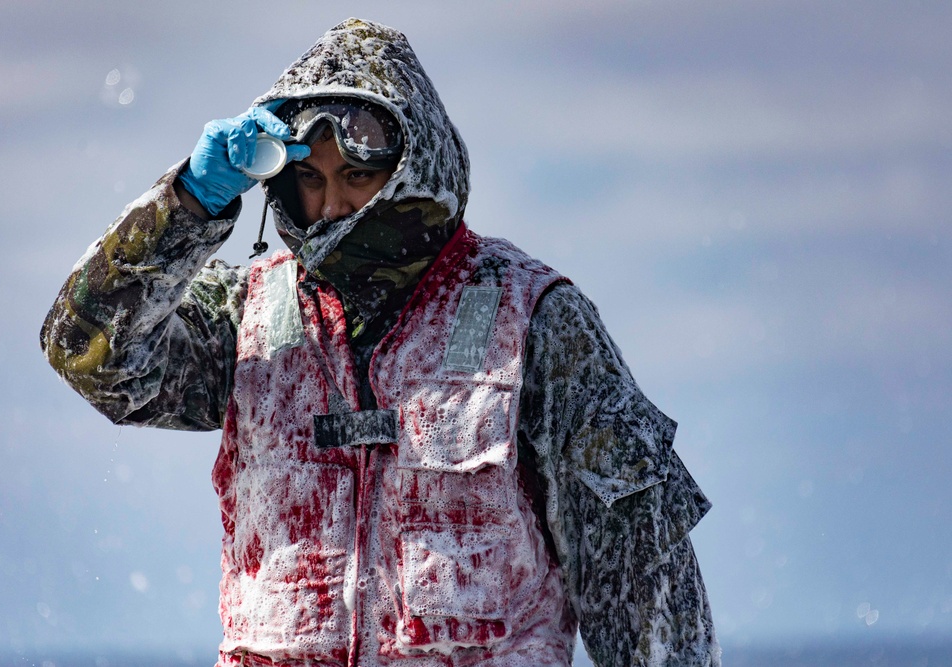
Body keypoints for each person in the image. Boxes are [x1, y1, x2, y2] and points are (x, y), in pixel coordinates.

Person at [41, 18, 720, 667]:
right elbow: (88, 350)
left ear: (411, 168)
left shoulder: (532, 318)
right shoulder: (247, 315)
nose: (332, 206)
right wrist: (187, 203)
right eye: (311, 179)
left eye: (357, 177)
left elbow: (644, 588)